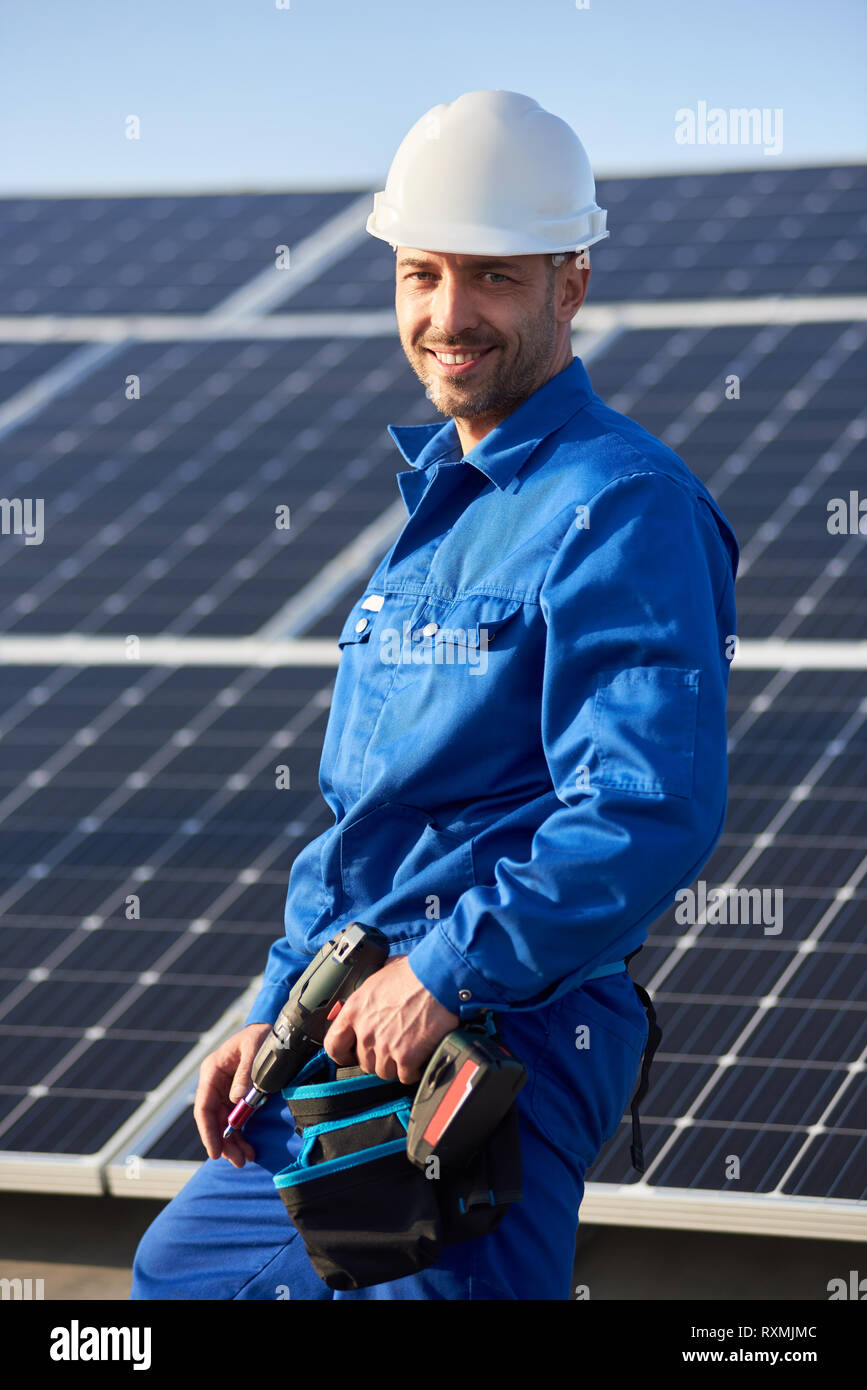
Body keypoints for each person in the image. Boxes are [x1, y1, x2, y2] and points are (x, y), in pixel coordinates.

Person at [130, 89, 739, 1301]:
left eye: (494, 278)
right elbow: (371, 822)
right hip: (345, 1031)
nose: (447, 316)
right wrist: (277, 1008)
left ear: (570, 285)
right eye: (421, 274)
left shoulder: (621, 504)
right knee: (177, 1277)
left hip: (495, 1035)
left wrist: (447, 972)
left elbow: (642, 810)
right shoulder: (434, 515)